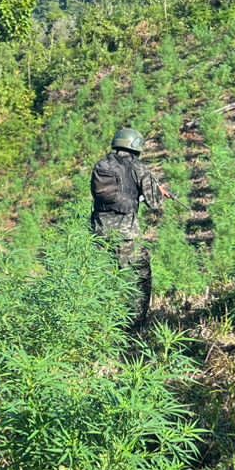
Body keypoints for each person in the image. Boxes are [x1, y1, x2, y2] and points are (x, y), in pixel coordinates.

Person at [89, 127, 172, 326]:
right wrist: (155, 191)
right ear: (136, 146)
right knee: (140, 277)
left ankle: (101, 324)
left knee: (103, 278)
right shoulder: (139, 168)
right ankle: (135, 325)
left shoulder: (101, 165)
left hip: (98, 232)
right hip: (126, 235)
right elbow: (155, 203)